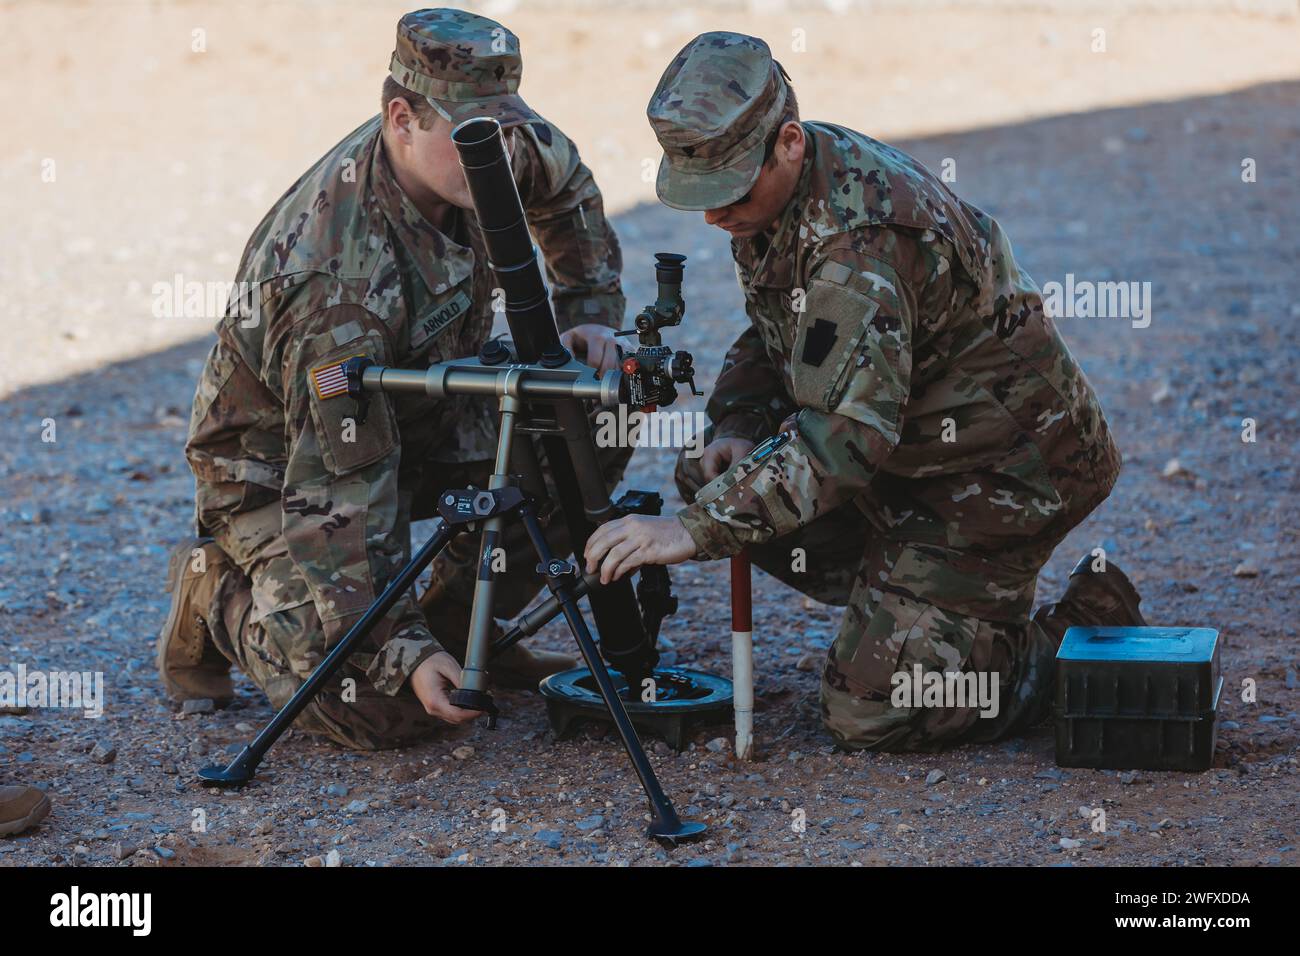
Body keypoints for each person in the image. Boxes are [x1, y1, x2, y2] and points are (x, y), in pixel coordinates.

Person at [585, 32, 1146, 751]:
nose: (712, 216)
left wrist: (690, 533)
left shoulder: (862, 244)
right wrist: (737, 424)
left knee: (872, 711)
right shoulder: (782, 188)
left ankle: (1068, 632)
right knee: (714, 473)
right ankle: (925, 608)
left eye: (727, 192)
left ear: (787, 142)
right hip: (911, 459)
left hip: (1000, 483)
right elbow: (772, 333)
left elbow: (843, 444)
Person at [161, 8, 627, 750]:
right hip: (285, 475)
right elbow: (339, 495)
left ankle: (462, 633)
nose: (500, 154)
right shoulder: (334, 281)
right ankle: (215, 593)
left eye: (505, 128)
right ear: (400, 118)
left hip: (422, 408)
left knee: (587, 419)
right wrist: (399, 653)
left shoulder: (489, 144)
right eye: (474, 134)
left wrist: (590, 316)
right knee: (377, 710)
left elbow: (565, 187)